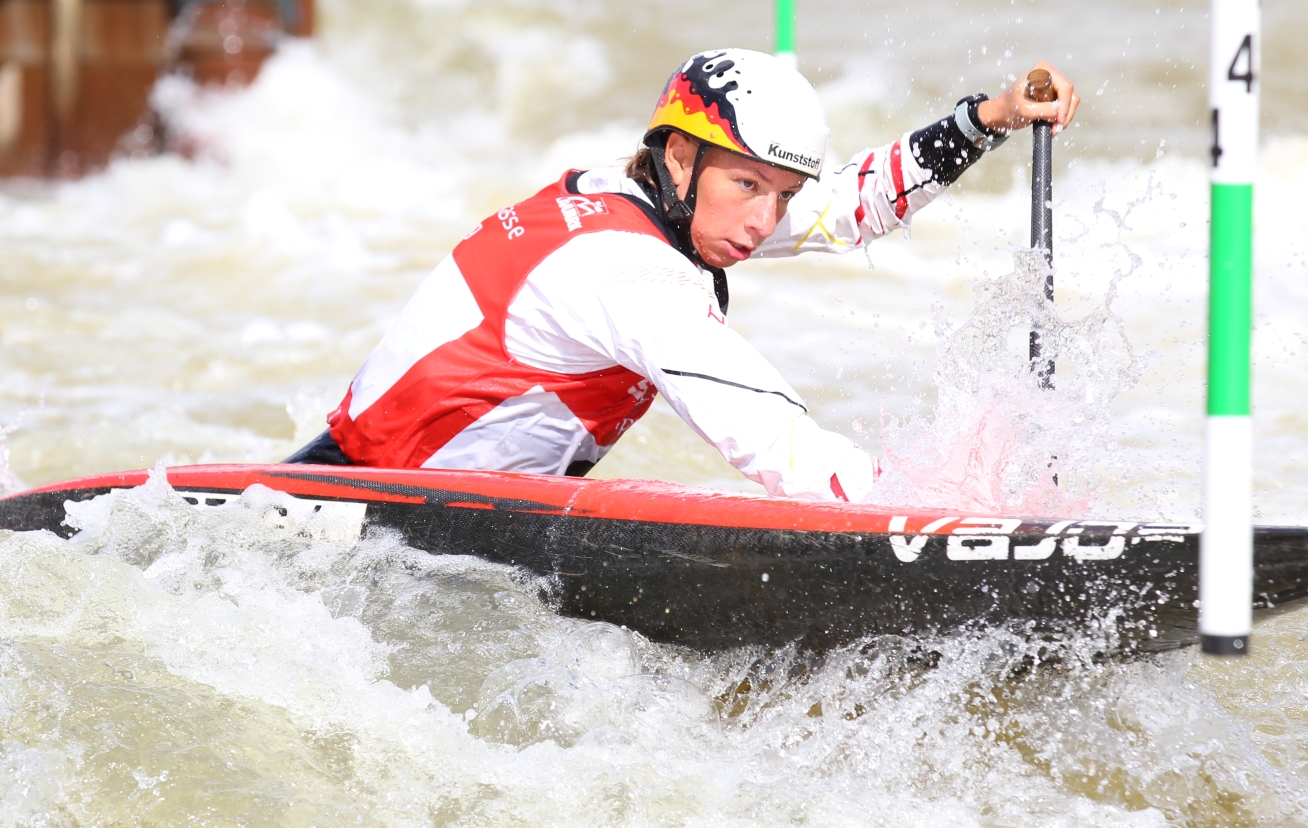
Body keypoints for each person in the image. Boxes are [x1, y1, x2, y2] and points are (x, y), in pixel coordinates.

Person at [286, 49, 1079, 502]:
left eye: (781, 195)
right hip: (371, 518)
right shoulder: (629, 270)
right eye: (748, 187)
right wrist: (948, 523)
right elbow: (775, 442)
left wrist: (989, 117)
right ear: (679, 157)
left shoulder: (644, 199)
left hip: (426, 504)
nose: (764, 222)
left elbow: (848, 205)